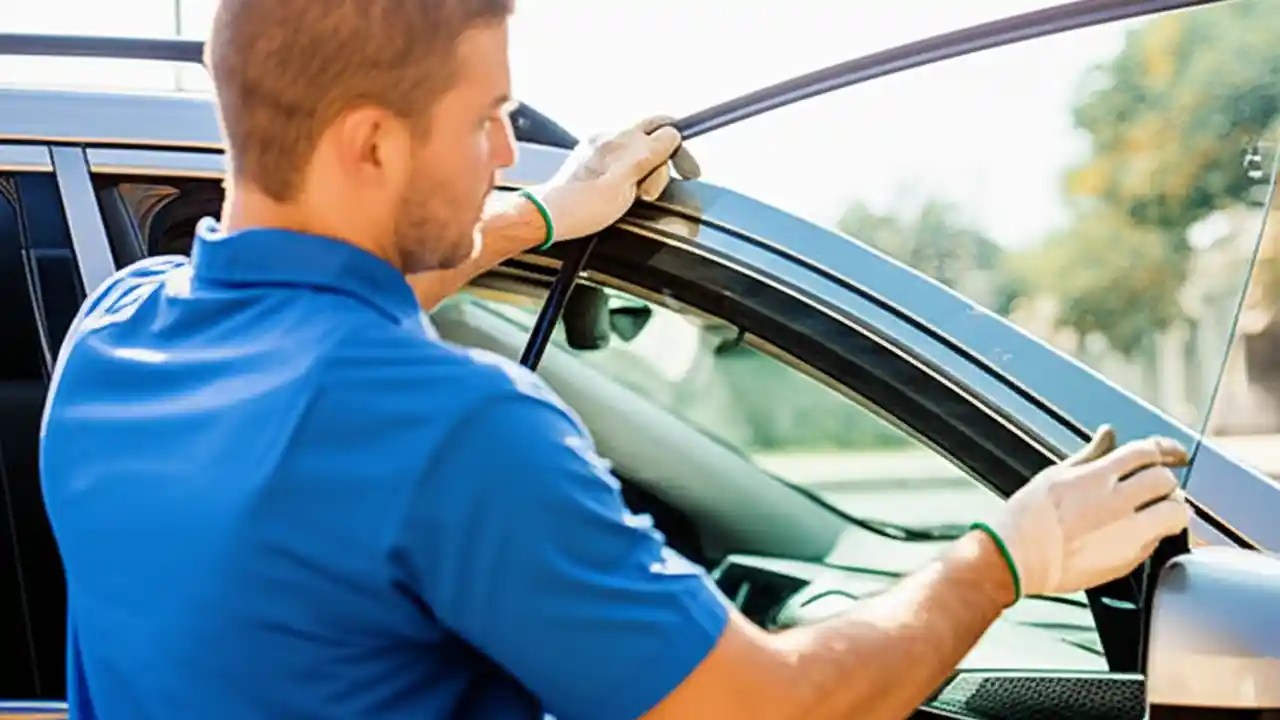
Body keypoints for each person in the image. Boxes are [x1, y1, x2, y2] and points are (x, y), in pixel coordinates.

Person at [39, 1, 1192, 719]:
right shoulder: (452, 431)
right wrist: (1007, 553)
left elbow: (331, 290)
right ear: (372, 142)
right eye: (483, 116)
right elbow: (772, 709)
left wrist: (542, 216)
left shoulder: (114, 337)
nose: (502, 150)